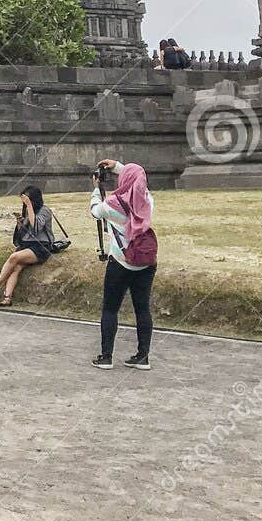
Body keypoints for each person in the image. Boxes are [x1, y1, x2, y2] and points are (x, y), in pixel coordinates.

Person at [89, 158, 158, 370]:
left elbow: (95, 211)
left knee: (110, 309)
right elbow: (138, 179)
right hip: (145, 263)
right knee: (142, 309)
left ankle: (106, 356)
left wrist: (96, 189)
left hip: (120, 262)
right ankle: (143, 357)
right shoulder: (147, 201)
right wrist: (118, 167)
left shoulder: (112, 204)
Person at [0, 184, 58, 306]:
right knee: (16, 268)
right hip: (27, 245)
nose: (25, 203)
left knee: (14, 257)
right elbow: (25, 233)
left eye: (27, 200)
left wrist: (29, 206)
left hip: (41, 247)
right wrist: (20, 223)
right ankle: (7, 298)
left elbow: (36, 229)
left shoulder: (44, 211)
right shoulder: (28, 210)